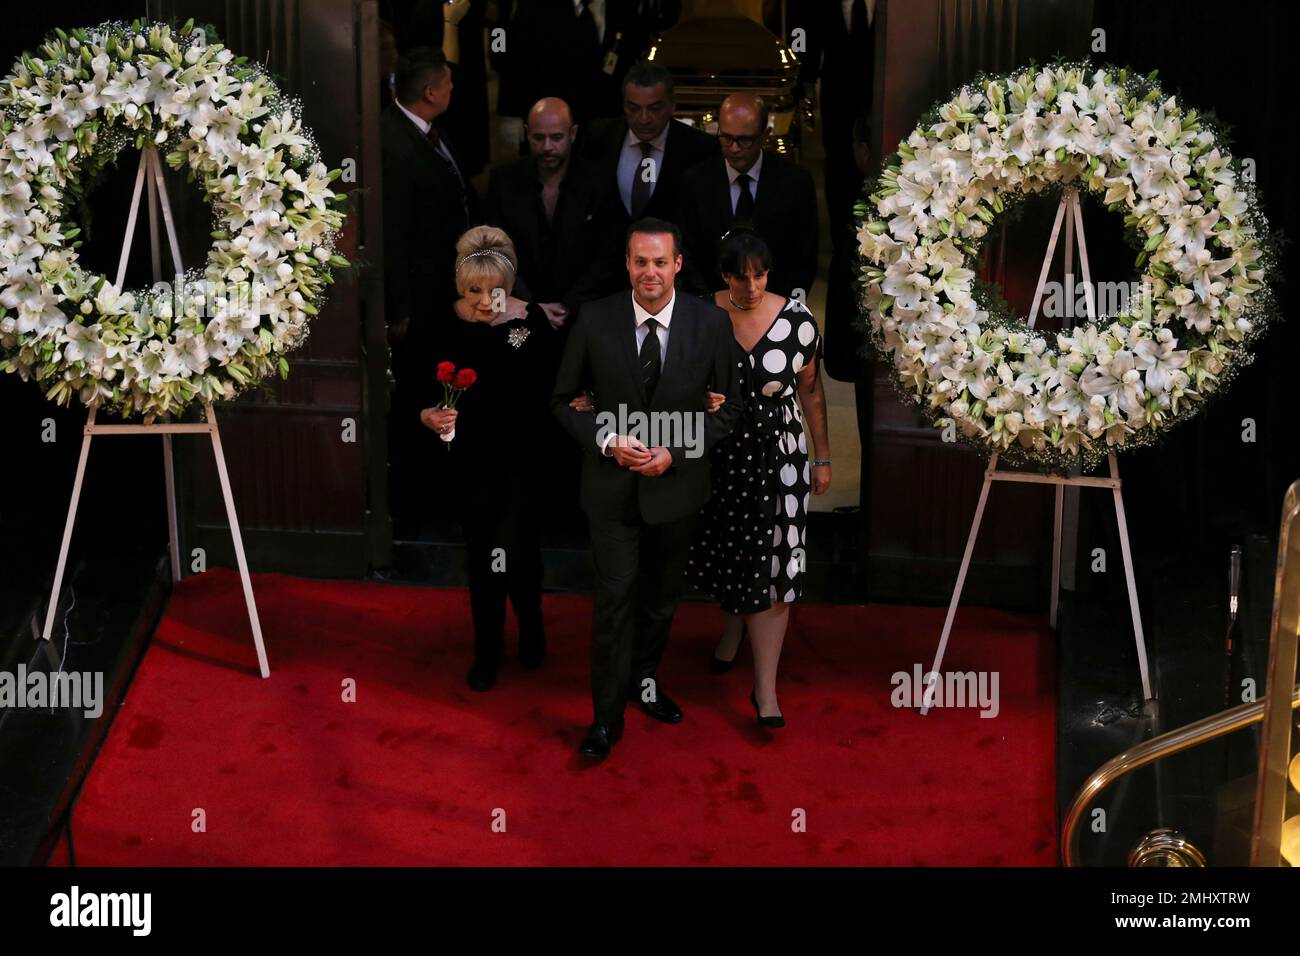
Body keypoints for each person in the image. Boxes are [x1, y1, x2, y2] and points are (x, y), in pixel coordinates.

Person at [551, 217, 743, 758]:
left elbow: (733, 410)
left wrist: (673, 451)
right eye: (641, 261)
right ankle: (605, 720)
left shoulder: (711, 325)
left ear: (678, 263)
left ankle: (645, 683)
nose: (650, 272)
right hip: (610, 491)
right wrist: (608, 439)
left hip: (677, 490)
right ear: (628, 263)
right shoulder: (595, 319)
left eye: (661, 261)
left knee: (660, 602)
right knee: (614, 601)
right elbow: (562, 401)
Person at [687, 228, 832, 729]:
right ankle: (731, 634)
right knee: (732, 550)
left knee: (775, 561)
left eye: (760, 275)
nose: (751, 286)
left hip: (781, 455)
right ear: (723, 275)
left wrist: (823, 458)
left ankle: (765, 691)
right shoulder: (700, 314)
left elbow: (811, 391)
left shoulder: (798, 320)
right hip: (721, 451)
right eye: (739, 276)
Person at [420, 226, 555, 691]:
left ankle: (532, 627)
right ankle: (488, 649)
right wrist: (427, 413)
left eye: (494, 291)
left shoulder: (531, 323)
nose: (484, 301)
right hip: (468, 461)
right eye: (474, 290)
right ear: (461, 286)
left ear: (510, 286)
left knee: (518, 553)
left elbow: (550, 392)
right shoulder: (440, 323)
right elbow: (414, 395)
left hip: (522, 459)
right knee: (483, 558)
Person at [382, 45, 480, 536]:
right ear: (429, 91)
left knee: (445, 390)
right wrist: (399, 305)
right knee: (418, 396)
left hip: (443, 292)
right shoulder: (394, 143)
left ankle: (441, 494)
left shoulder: (428, 133)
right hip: (417, 302)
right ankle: (417, 508)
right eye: (448, 82)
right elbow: (393, 233)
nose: (453, 89)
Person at [485, 97, 618, 335]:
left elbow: (608, 255)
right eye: (538, 138)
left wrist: (569, 306)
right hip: (518, 313)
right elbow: (495, 251)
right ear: (527, 134)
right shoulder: (503, 182)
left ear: (573, 134)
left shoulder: (599, 183)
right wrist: (530, 306)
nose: (547, 147)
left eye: (556, 137)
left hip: (583, 318)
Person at [677, 93, 819, 299]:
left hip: (774, 310)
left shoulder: (795, 183)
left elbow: (803, 259)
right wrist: (712, 304)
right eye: (726, 138)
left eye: (744, 140)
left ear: (765, 135)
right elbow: (687, 254)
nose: (734, 148)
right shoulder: (695, 182)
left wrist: (776, 310)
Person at [578, 61, 716, 241]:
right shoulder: (598, 138)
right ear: (623, 105)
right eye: (634, 108)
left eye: (654, 109)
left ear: (672, 105)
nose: (643, 119)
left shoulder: (699, 148)